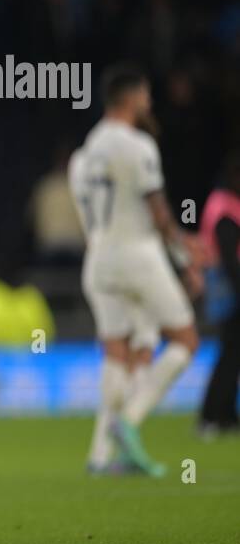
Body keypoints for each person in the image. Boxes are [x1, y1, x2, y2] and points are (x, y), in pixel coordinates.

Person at [69, 64, 201, 475]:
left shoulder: (84, 154)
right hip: (137, 255)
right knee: (184, 339)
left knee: (119, 353)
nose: (149, 103)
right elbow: (159, 213)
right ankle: (130, 421)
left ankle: (100, 455)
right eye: (146, 96)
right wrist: (185, 260)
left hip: (99, 259)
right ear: (131, 98)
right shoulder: (137, 145)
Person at [198, 154, 240, 436]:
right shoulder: (224, 206)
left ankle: (224, 415)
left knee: (231, 352)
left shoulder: (226, 203)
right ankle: (212, 415)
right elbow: (228, 256)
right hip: (227, 285)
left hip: (227, 282)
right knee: (230, 351)